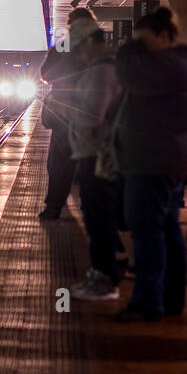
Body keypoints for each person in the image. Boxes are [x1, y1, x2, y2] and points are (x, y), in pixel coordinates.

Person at [112, 7, 187, 321]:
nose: (139, 51)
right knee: (165, 229)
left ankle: (148, 303)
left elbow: (128, 74)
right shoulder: (172, 65)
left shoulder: (171, 65)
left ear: (164, 37)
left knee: (145, 231)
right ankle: (170, 299)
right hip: (162, 159)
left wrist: (127, 49)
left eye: (143, 43)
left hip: (154, 162)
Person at [64, 18, 122, 301]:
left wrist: (71, 113)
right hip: (97, 153)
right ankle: (103, 272)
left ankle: (104, 277)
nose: (78, 54)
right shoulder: (107, 69)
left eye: (78, 48)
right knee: (99, 214)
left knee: (98, 215)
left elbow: (93, 116)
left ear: (90, 42)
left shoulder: (101, 73)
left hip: (96, 155)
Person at [38, 9, 91, 220]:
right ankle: (90, 208)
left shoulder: (63, 46)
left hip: (62, 111)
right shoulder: (96, 47)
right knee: (90, 163)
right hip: (90, 110)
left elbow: (46, 75)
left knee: (59, 162)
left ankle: (53, 207)